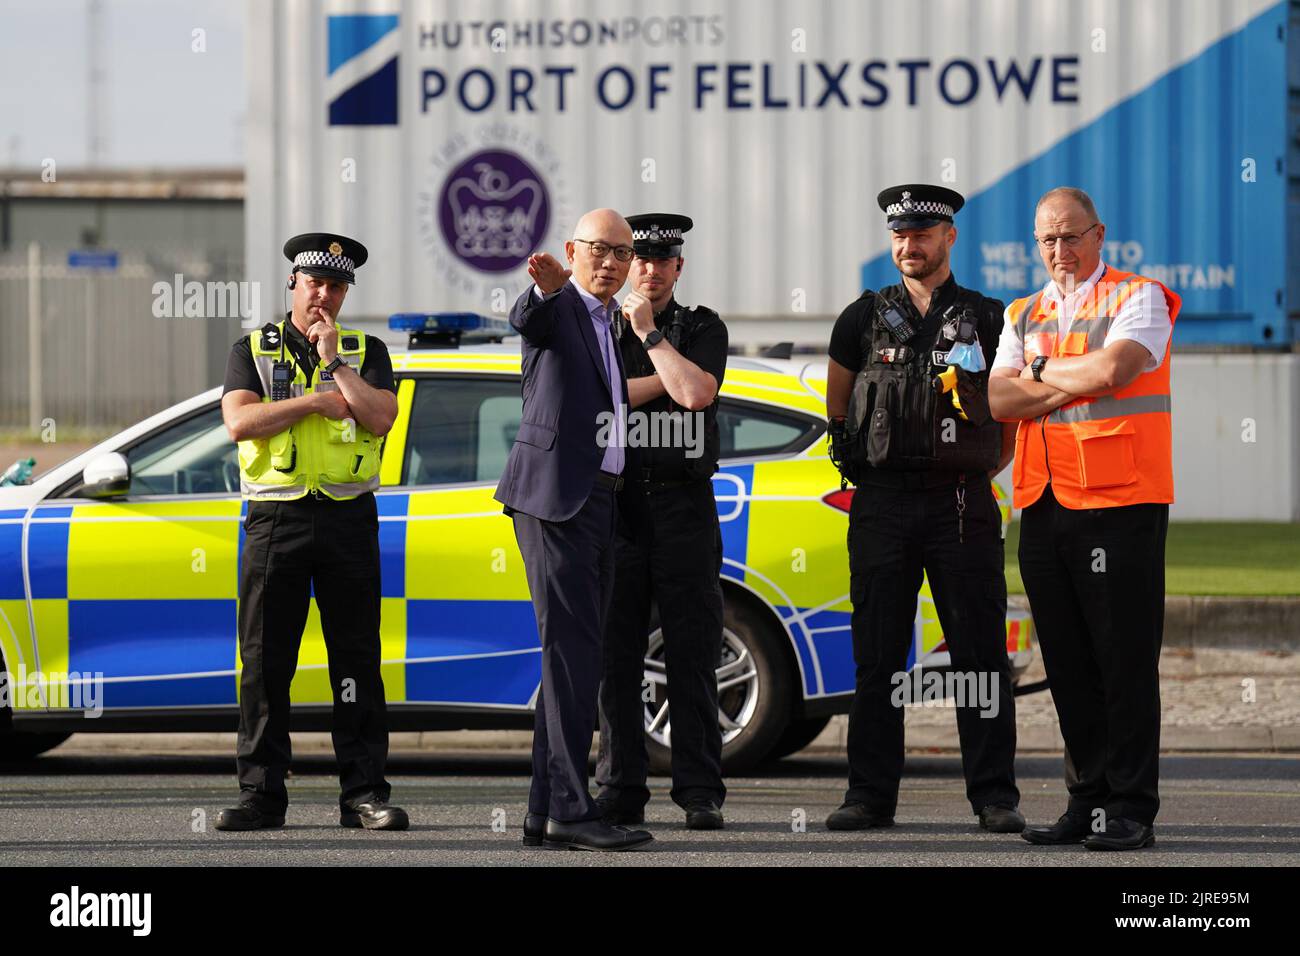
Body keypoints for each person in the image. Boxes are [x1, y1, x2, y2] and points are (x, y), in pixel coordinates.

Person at [824, 185, 1024, 833]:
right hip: (881, 504)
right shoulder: (861, 317)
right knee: (878, 655)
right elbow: (838, 408)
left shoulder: (987, 317)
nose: (910, 246)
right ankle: (869, 797)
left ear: (949, 238)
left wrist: (972, 469)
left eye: (923, 234)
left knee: (978, 653)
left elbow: (1007, 415)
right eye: (900, 236)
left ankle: (994, 796)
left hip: (960, 504)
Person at [989, 187, 1179, 851]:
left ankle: (1131, 809)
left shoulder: (1138, 297)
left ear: (1100, 235)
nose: (1060, 251)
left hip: (1120, 503)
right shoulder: (1023, 308)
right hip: (1042, 504)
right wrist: (1063, 377)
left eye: (1072, 237)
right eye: (1048, 240)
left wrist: (1039, 368)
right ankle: (1088, 804)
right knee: (1068, 665)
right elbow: (996, 397)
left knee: (1123, 663)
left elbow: (1113, 371)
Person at [216, 233, 405, 831]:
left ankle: (364, 795)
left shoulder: (364, 349)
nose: (323, 294)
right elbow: (240, 422)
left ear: (347, 292)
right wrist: (312, 405)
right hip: (277, 520)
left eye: (336, 285)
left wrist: (336, 366)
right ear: (293, 284)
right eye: (314, 282)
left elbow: (380, 416)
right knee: (266, 663)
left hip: (349, 518)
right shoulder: (252, 348)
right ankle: (261, 796)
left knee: (356, 663)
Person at [495, 208, 654, 852]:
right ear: (572, 250)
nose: (612, 261)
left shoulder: (612, 322)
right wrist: (549, 285)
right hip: (557, 499)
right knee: (570, 656)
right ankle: (569, 807)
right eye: (599, 249)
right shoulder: (561, 306)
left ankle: (545, 810)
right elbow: (526, 320)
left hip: (601, 500)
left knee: (575, 658)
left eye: (623, 252)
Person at [594, 213, 730, 831]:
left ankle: (700, 791)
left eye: (660, 260)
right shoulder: (595, 321)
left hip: (684, 507)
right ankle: (619, 790)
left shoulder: (701, 326)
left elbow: (697, 394)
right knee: (614, 657)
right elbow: (598, 398)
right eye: (637, 259)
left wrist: (650, 338)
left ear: (679, 266)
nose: (647, 270)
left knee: (692, 654)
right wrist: (663, 381)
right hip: (618, 507)